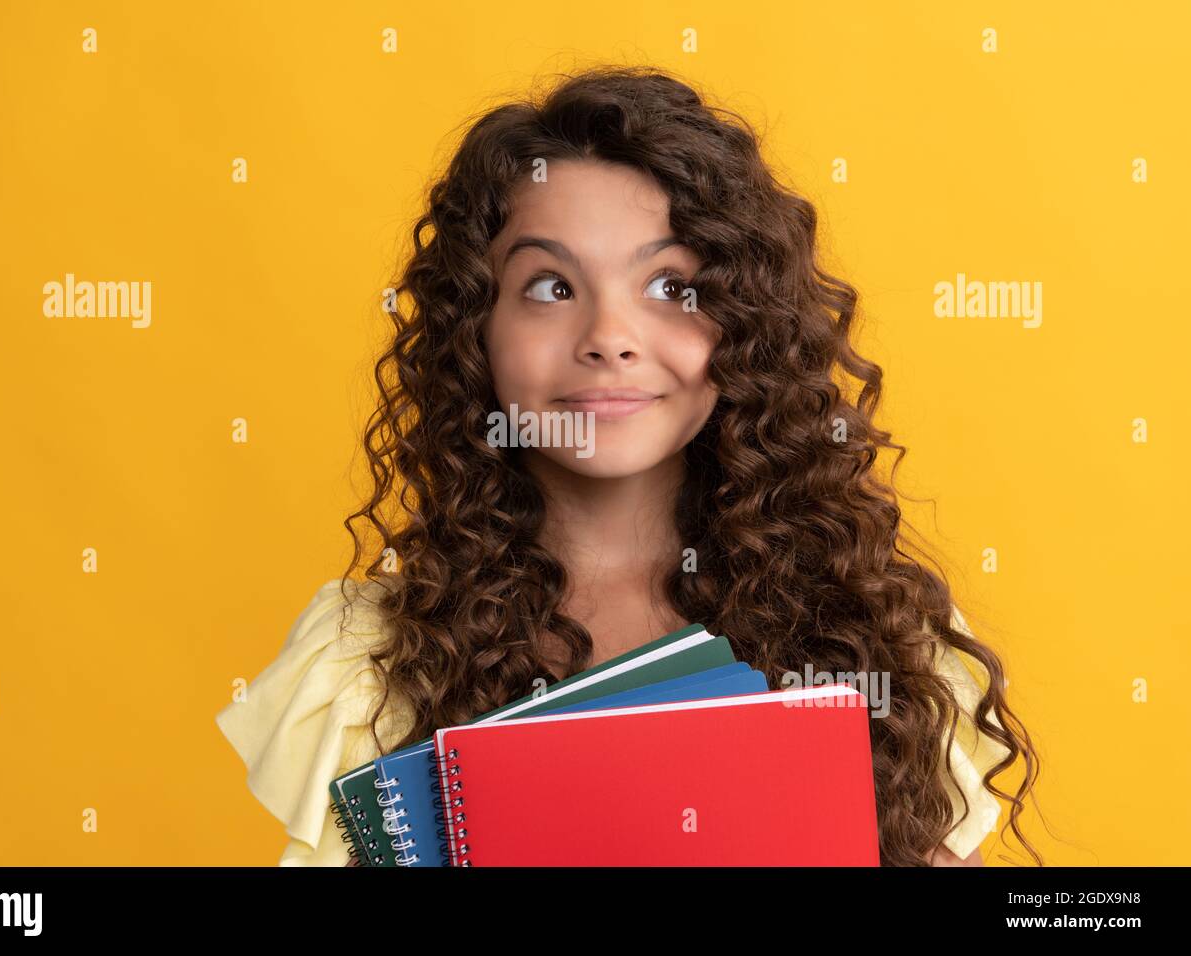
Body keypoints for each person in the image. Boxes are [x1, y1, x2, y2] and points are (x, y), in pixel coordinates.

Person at [216, 65, 1041, 868]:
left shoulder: (875, 629)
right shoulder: (363, 664)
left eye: (670, 287)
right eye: (549, 286)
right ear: (477, 329)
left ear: (741, 325)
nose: (609, 337)